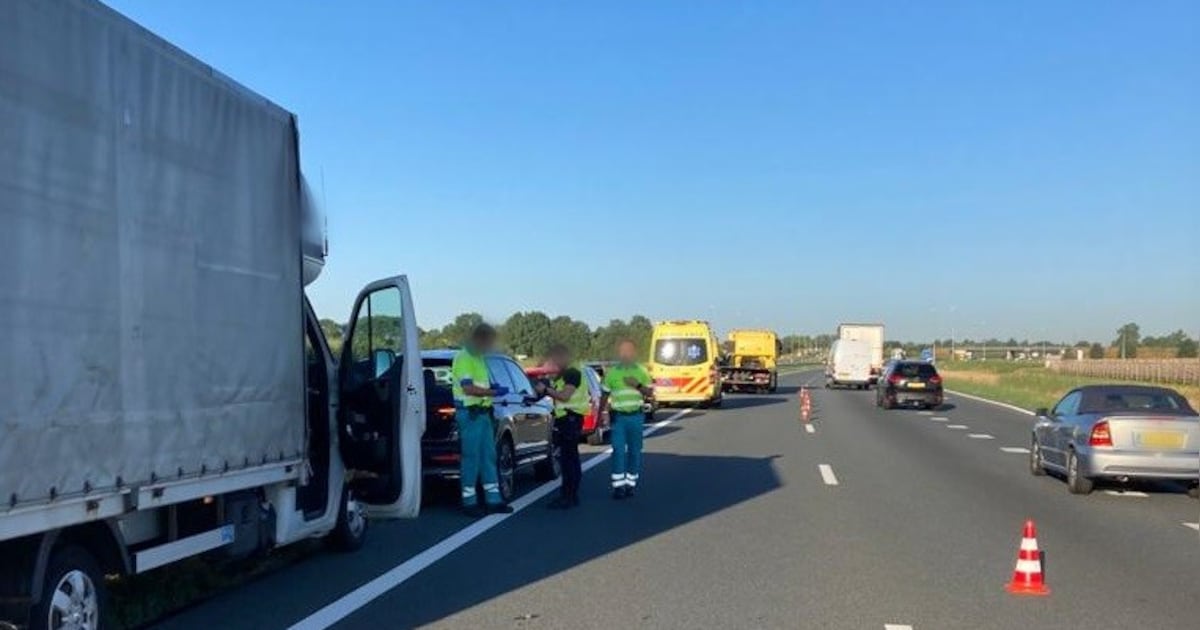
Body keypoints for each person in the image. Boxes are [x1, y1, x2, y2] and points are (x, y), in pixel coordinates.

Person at [451, 324, 514, 517]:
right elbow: (468, 388)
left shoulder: (478, 358)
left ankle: (493, 500)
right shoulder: (464, 357)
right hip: (470, 414)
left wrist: (490, 390)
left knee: (489, 457)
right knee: (471, 458)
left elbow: (479, 385)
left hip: (483, 414)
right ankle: (469, 502)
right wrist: (493, 391)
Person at [535, 344, 588, 509]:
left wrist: (547, 390)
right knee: (569, 458)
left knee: (569, 460)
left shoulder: (572, 372)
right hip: (568, 419)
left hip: (570, 419)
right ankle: (569, 495)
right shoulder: (566, 373)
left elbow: (565, 396)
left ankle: (569, 496)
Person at [600, 339, 653, 500]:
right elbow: (605, 394)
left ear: (634, 353)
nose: (626, 354)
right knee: (617, 451)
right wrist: (603, 412)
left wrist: (637, 385)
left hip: (636, 416)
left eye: (629, 351)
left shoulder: (641, 371)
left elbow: (650, 393)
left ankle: (631, 484)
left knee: (635, 452)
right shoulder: (612, 373)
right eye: (623, 351)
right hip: (619, 418)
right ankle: (618, 487)